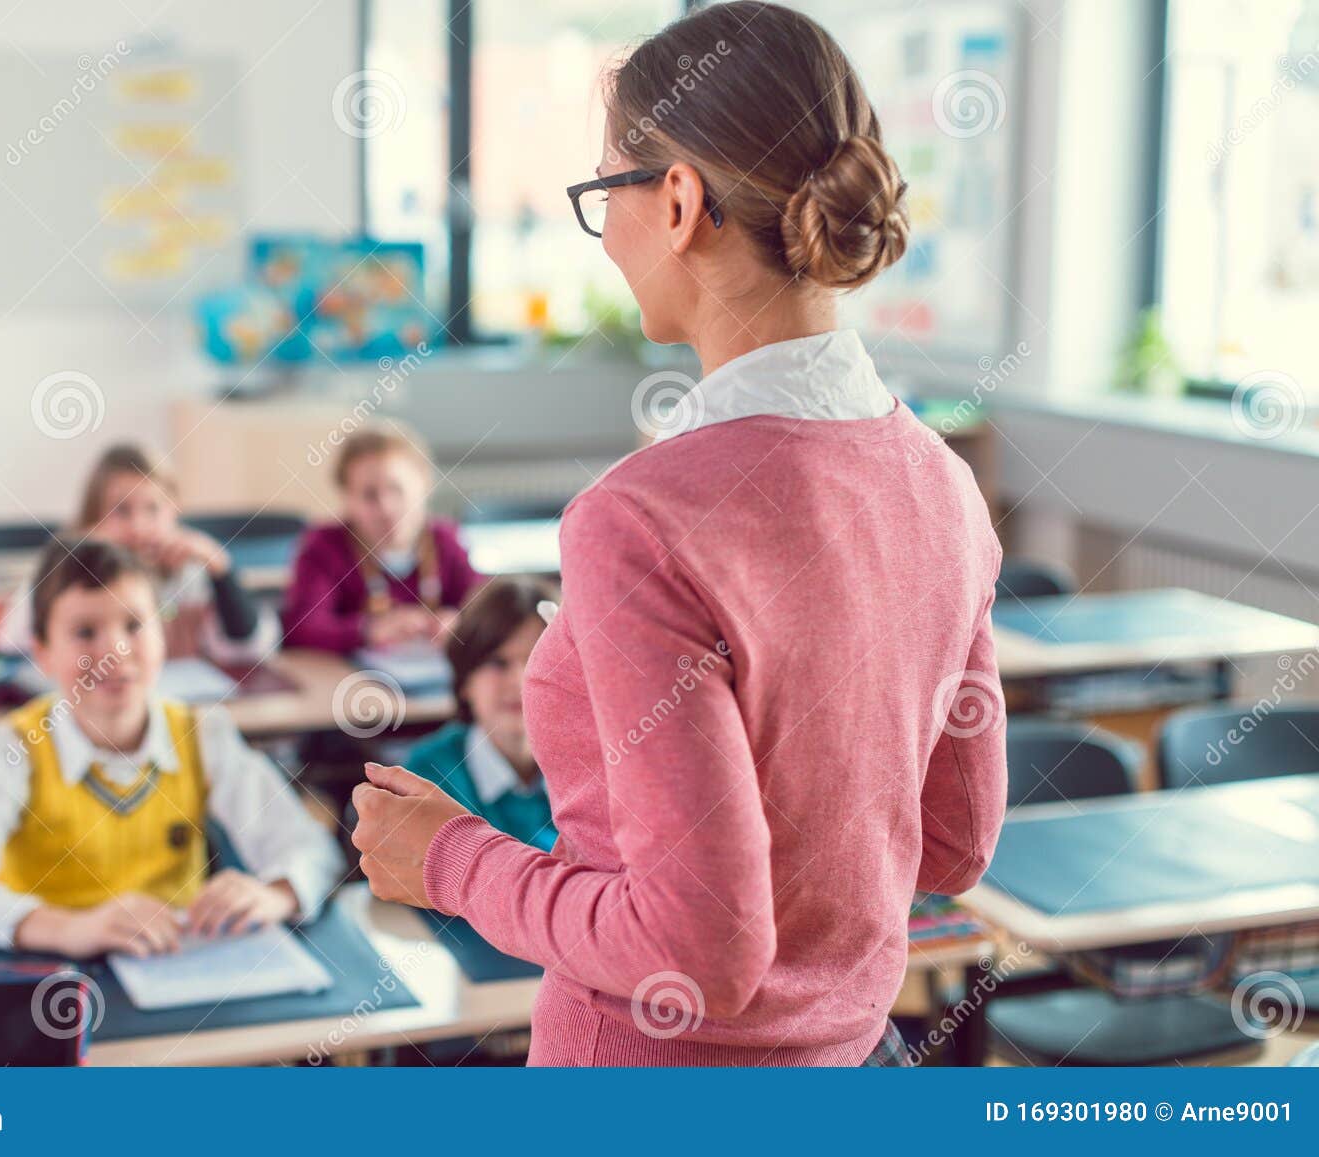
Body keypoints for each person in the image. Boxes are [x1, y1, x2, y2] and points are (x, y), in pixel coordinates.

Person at [350, 2, 1007, 1067]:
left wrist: (453, 860)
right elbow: (953, 842)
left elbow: (698, 946)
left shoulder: (639, 520)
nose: (603, 230)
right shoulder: (943, 483)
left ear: (679, 200)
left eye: (604, 190)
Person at [0, 537, 342, 956]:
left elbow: (313, 850)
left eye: (134, 624)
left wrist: (275, 893)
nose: (116, 649)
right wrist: (69, 929)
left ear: (162, 637)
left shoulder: (203, 735)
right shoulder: (15, 750)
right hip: (54, 981)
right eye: (86, 632)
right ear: (43, 653)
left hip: (175, 969)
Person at [0, 443, 271, 663]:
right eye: (121, 511)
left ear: (175, 510)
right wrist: (73, 557)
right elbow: (11, 646)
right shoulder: (65, 573)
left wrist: (220, 570)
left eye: (153, 509)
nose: (138, 527)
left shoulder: (190, 572)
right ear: (94, 518)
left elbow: (247, 650)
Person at [282, 423, 482, 654]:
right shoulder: (323, 546)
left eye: (396, 489)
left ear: (425, 485)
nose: (386, 507)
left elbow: (486, 608)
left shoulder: (445, 540)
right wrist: (368, 631)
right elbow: (301, 630)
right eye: (369, 495)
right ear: (347, 499)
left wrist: (459, 622)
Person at [402, 577, 559, 850]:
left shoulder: (597, 768)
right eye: (498, 663)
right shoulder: (428, 777)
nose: (520, 680)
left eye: (538, 660)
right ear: (465, 680)